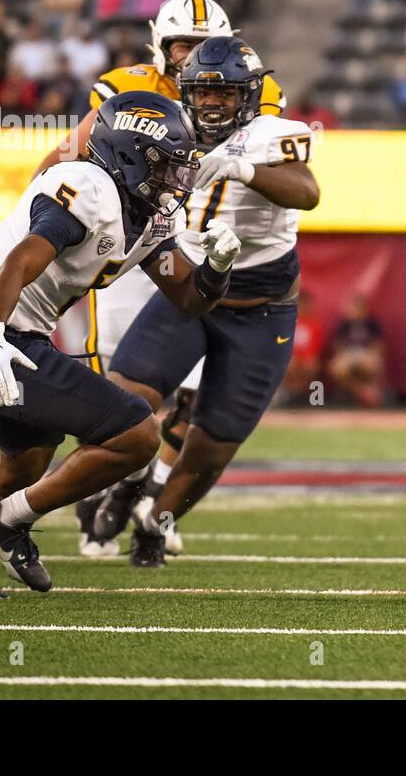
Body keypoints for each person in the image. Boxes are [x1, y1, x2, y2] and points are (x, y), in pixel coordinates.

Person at [0, 92, 241, 598]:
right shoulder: (86, 188)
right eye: (167, 165)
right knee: (137, 435)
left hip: (5, 329)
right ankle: (10, 520)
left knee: (25, 463)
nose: (178, 179)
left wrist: (216, 270)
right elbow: (15, 263)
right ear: (130, 155)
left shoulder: (144, 213)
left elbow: (188, 299)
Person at [27, 0, 285, 557]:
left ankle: (144, 489)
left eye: (203, 44)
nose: (195, 56)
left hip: (191, 241)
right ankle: (101, 483)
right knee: (122, 387)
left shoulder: (249, 89)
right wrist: (42, 198)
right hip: (129, 238)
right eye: (183, 46)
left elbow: (284, 163)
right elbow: (70, 151)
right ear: (160, 46)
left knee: (192, 394)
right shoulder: (125, 86)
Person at [106, 37, 320, 567]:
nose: (213, 103)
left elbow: (307, 192)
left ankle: (157, 523)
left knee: (215, 441)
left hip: (260, 305)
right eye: (203, 92)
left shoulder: (273, 133)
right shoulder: (166, 126)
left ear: (250, 95)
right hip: (191, 288)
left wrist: (239, 169)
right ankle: (125, 480)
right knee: (122, 399)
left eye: (226, 93)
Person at [327, 294, 386, 407]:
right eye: (355, 308)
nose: (357, 311)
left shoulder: (372, 324)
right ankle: (362, 393)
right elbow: (339, 347)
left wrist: (371, 355)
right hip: (348, 354)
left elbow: (379, 346)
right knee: (338, 368)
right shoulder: (344, 325)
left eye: (360, 308)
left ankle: (366, 394)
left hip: (366, 353)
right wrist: (344, 357)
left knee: (373, 365)